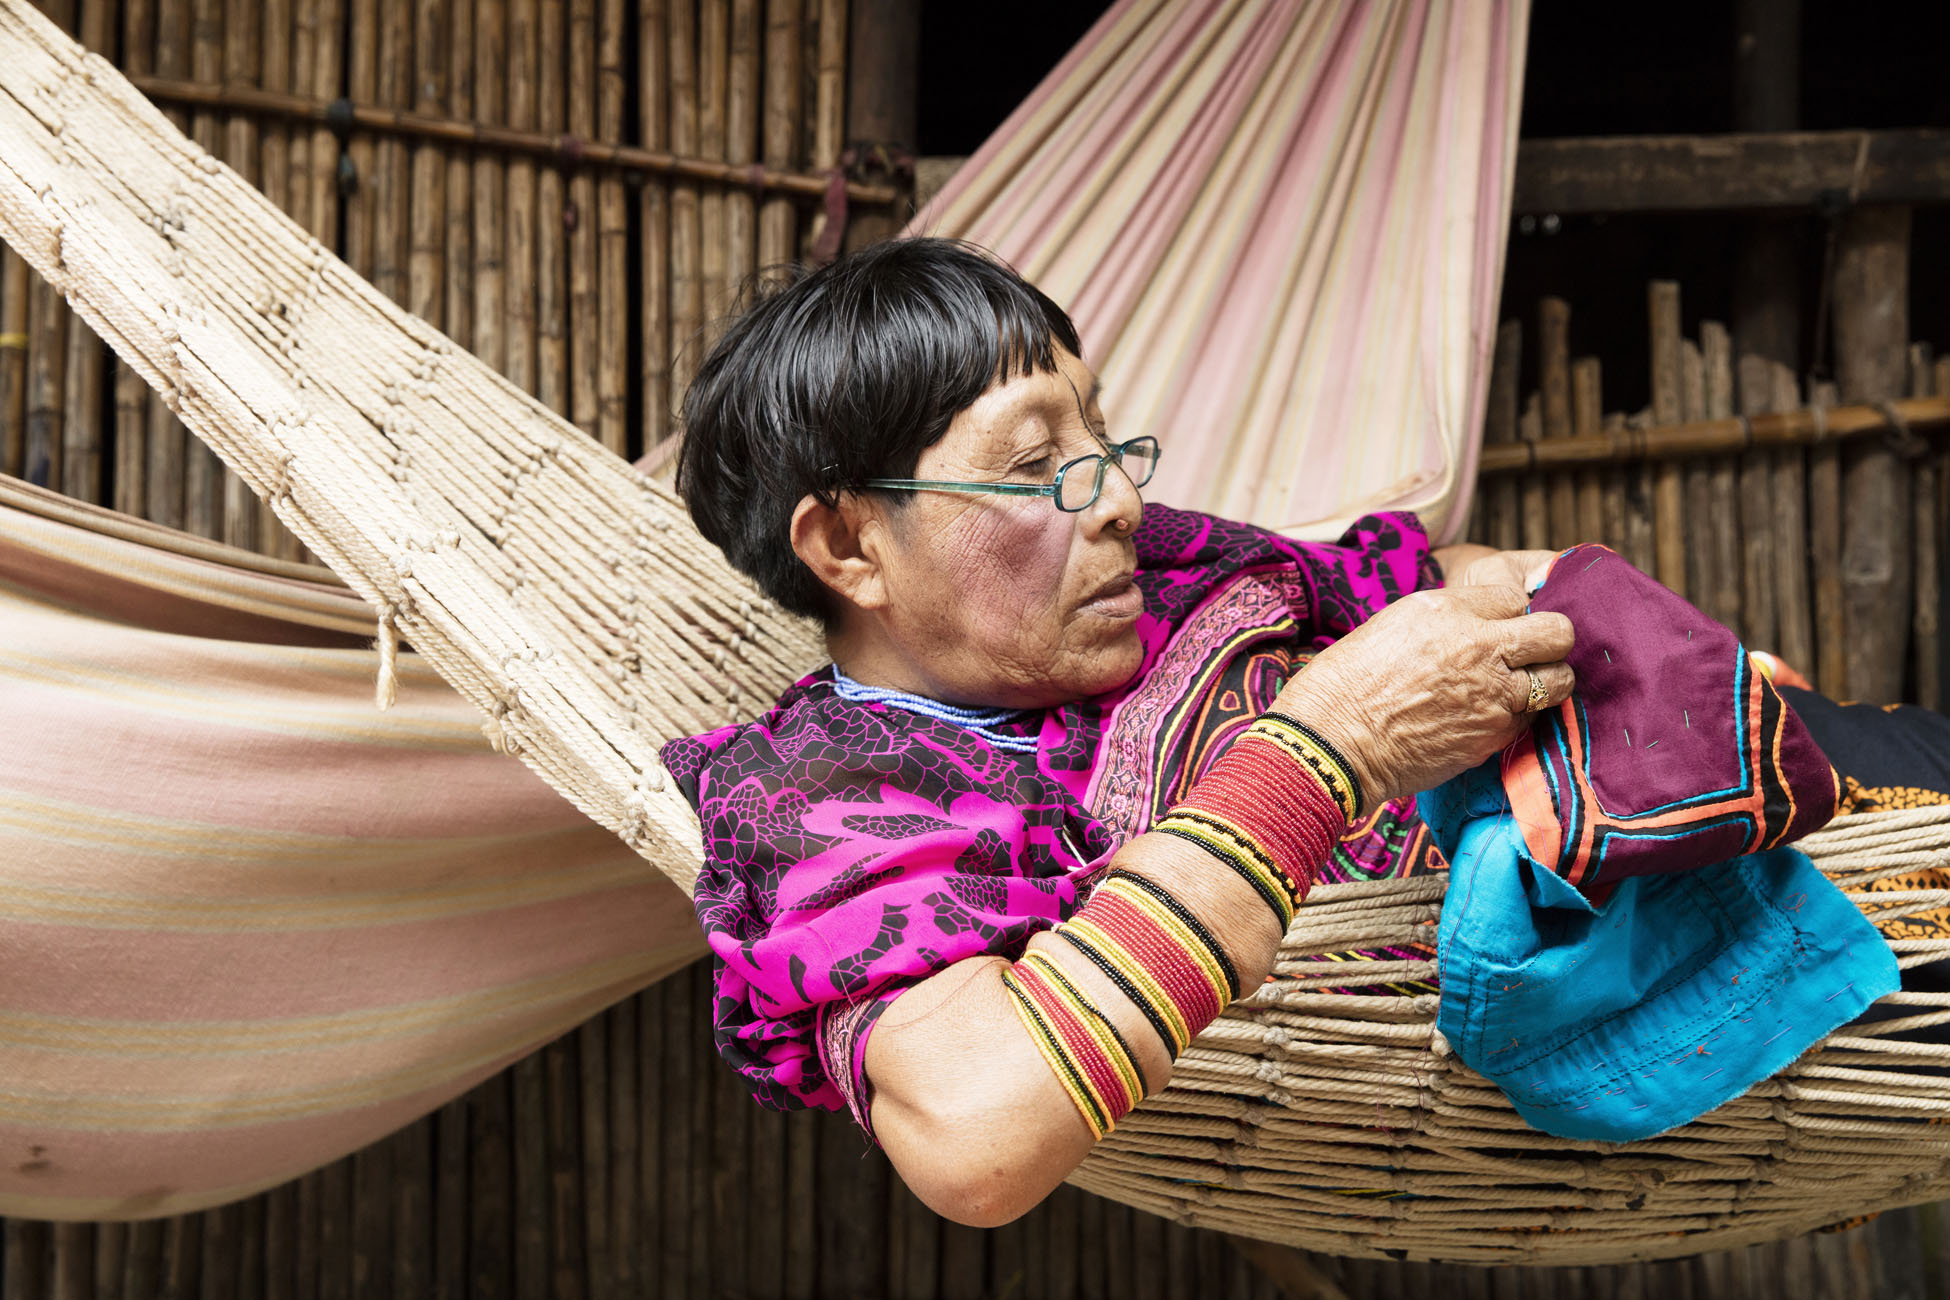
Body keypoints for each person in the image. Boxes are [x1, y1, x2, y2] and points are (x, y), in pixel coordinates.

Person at [662, 236, 1582, 1227]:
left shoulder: (1162, 567)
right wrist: (1336, 743)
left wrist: (1572, 607)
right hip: (1503, 1072)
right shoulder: (825, 798)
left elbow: (1429, 573)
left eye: (1098, 436)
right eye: (1034, 464)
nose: (1121, 501)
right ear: (851, 545)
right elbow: (976, 1134)